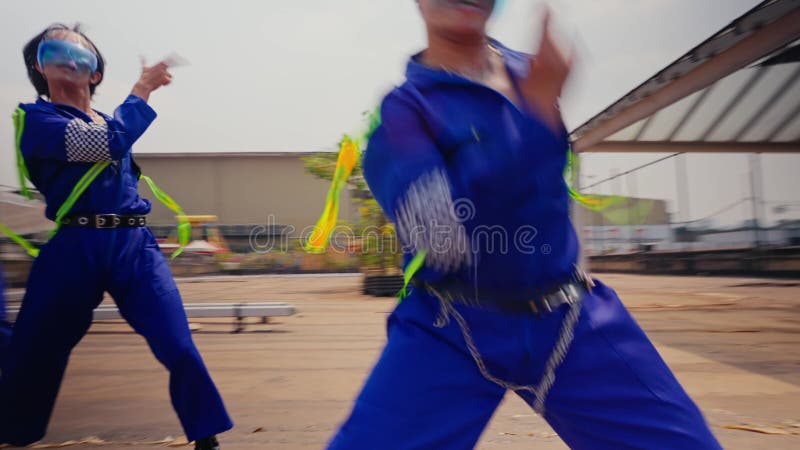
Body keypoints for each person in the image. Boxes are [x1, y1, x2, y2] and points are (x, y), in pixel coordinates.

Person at [327, 1, 722, 449]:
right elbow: (442, 240)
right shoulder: (400, 113)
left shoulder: (531, 72)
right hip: (450, 326)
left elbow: (546, 199)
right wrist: (535, 121)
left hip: (570, 316)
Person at [0, 24, 232, 450]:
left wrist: (139, 95)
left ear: (95, 74)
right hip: (74, 247)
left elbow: (112, 137)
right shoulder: (38, 120)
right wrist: (143, 88)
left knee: (177, 342)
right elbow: (106, 143)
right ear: (39, 66)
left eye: (80, 52)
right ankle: (13, 431)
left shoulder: (110, 121)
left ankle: (206, 435)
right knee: (33, 351)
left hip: (133, 245)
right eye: (55, 50)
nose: (69, 57)